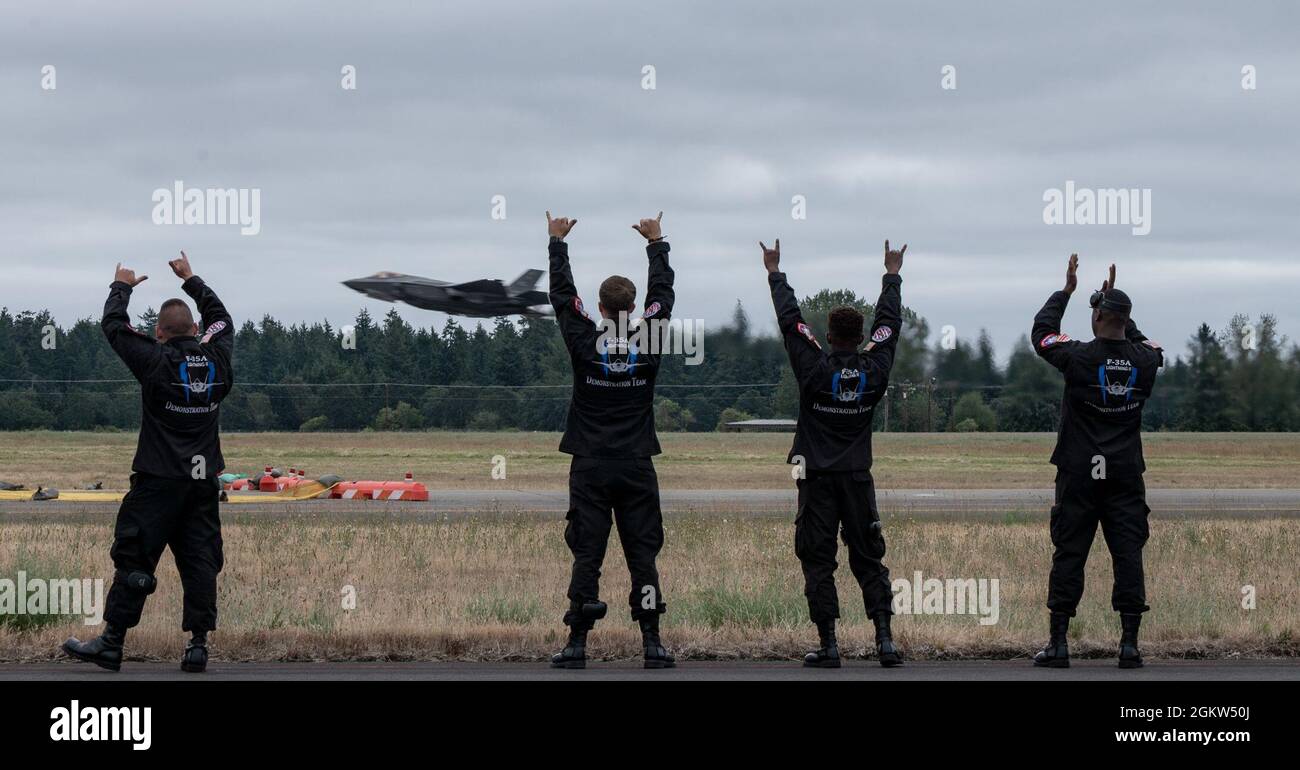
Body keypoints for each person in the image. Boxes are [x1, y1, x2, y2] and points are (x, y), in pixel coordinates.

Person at [62, 251, 234, 673]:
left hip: (158, 482)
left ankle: (112, 642)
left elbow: (114, 328)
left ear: (158, 333)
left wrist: (121, 286)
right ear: (195, 330)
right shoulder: (218, 362)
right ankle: (197, 646)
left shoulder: (155, 361)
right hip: (201, 483)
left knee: (135, 558)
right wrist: (191, 279)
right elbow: (223, 320)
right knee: (200, 562)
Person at [763, 238, 907, 668]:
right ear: (861, 338)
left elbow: (791, 323)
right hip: (858, 479)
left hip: (817, 479)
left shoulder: (814, 368)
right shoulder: (875, 370)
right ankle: (884, 640)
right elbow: (890, 326)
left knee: (818, 560)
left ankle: (829, 645)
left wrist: (775, 273)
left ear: (828, 337)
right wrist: (892, 275)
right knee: (870, 558)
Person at [545, 211, 677, 669]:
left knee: (588, 553)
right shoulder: (651, 335)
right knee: (643, 554)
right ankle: (653, 642)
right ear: (633, 306)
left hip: (591, 463)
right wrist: (656, 243)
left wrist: (557, 243)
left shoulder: (583, 338)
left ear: (600, 309)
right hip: (637, 462)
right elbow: (664, 296)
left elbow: (562, 298)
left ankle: (577, 642)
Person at [1030, 255, 1163, 669]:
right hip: (1124, 474)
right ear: (1126, 320)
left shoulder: (1079, 357)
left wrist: (1067, 291)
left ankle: (1059, 644)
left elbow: (1042, 333)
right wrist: (1119, 307)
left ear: (1099, 315)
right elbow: (1143, 344)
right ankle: (1129, 645)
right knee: (1128, 554)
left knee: (1069, 552)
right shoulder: (1146, 361)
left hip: (1080, 472)